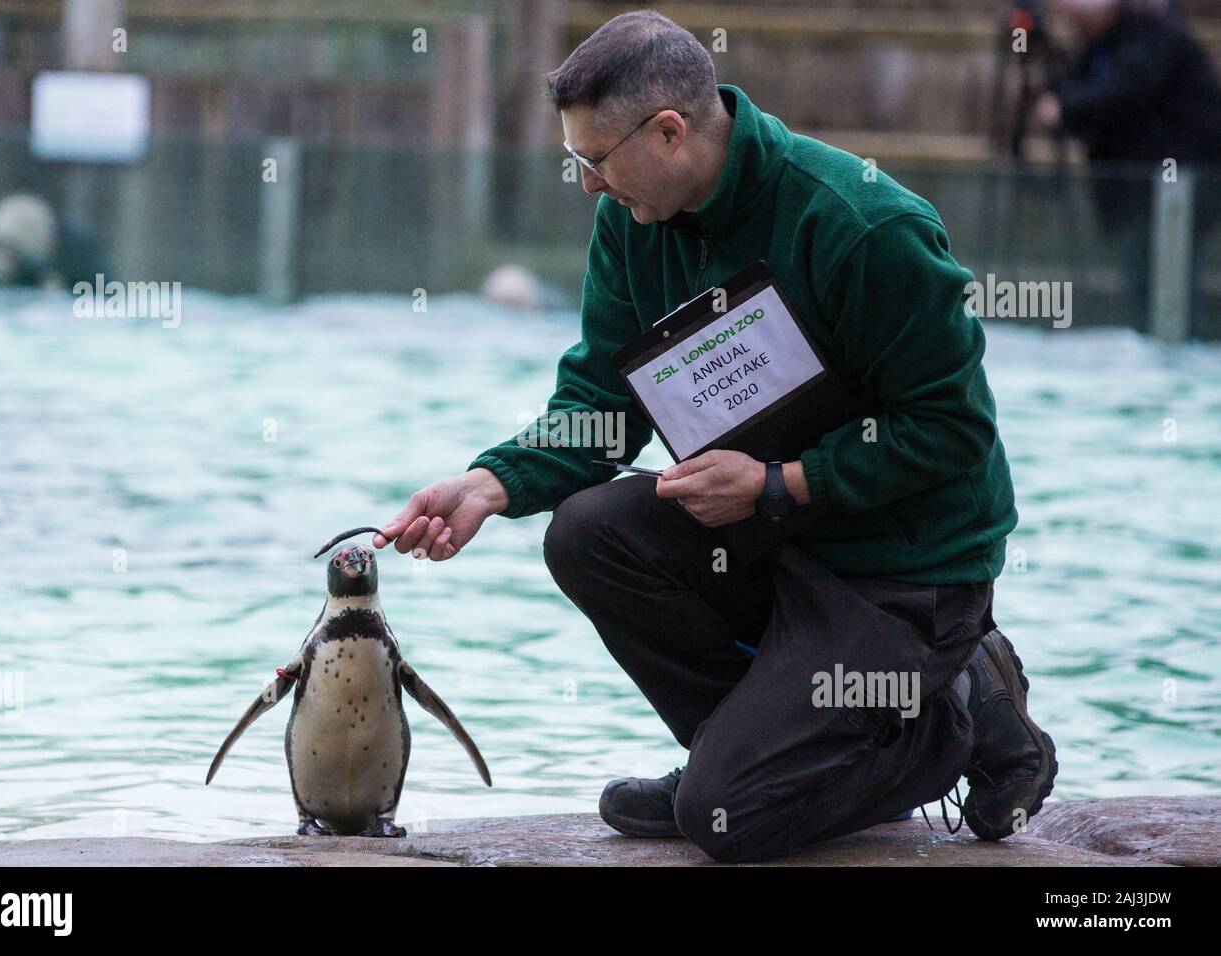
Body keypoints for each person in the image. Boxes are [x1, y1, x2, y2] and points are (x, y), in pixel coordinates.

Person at [370, 11, 1057, 862]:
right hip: (767, 538)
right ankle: (746, 753)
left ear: (669, 131)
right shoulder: (635, 218)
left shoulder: (863, 225)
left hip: (905, 572)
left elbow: (951, 433)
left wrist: (784, 484)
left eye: (595, 160)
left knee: (733, 821)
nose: (585, 183)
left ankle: (958, 717)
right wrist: (487, 486)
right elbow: (603, 398)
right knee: (586, 533)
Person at [1033, 0, 1221, 332]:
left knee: (1173, 296)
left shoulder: (1153, 33)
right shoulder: (1099, 45)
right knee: (1143, 294)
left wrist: (1064, 107)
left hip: (1177, 191)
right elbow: (1079, 98)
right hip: (1130, 198)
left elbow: (1124, 91)